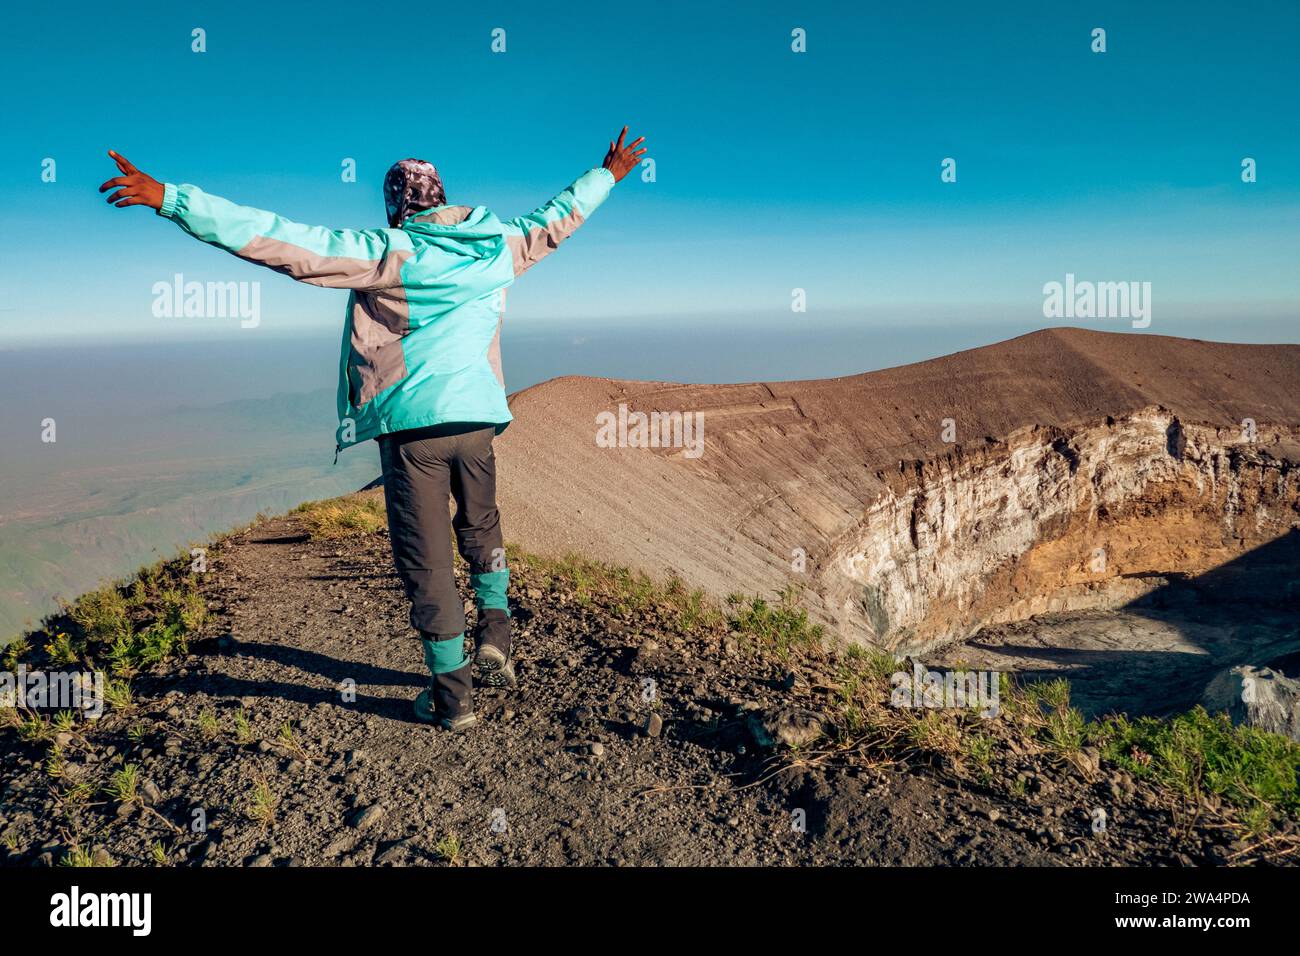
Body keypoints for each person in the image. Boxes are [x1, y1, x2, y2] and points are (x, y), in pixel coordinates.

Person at [100, 128, 647, 730]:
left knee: (427, 558)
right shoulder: (499, 245)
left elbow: (284, 242)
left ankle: (452, 697)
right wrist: (609, 174)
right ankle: (496, 636)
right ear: (443, 195)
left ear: (397, 206)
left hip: (416, 430)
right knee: (482, 525)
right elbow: (557, 217)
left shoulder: (388, 252)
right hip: (479, 420)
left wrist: (172, 199)